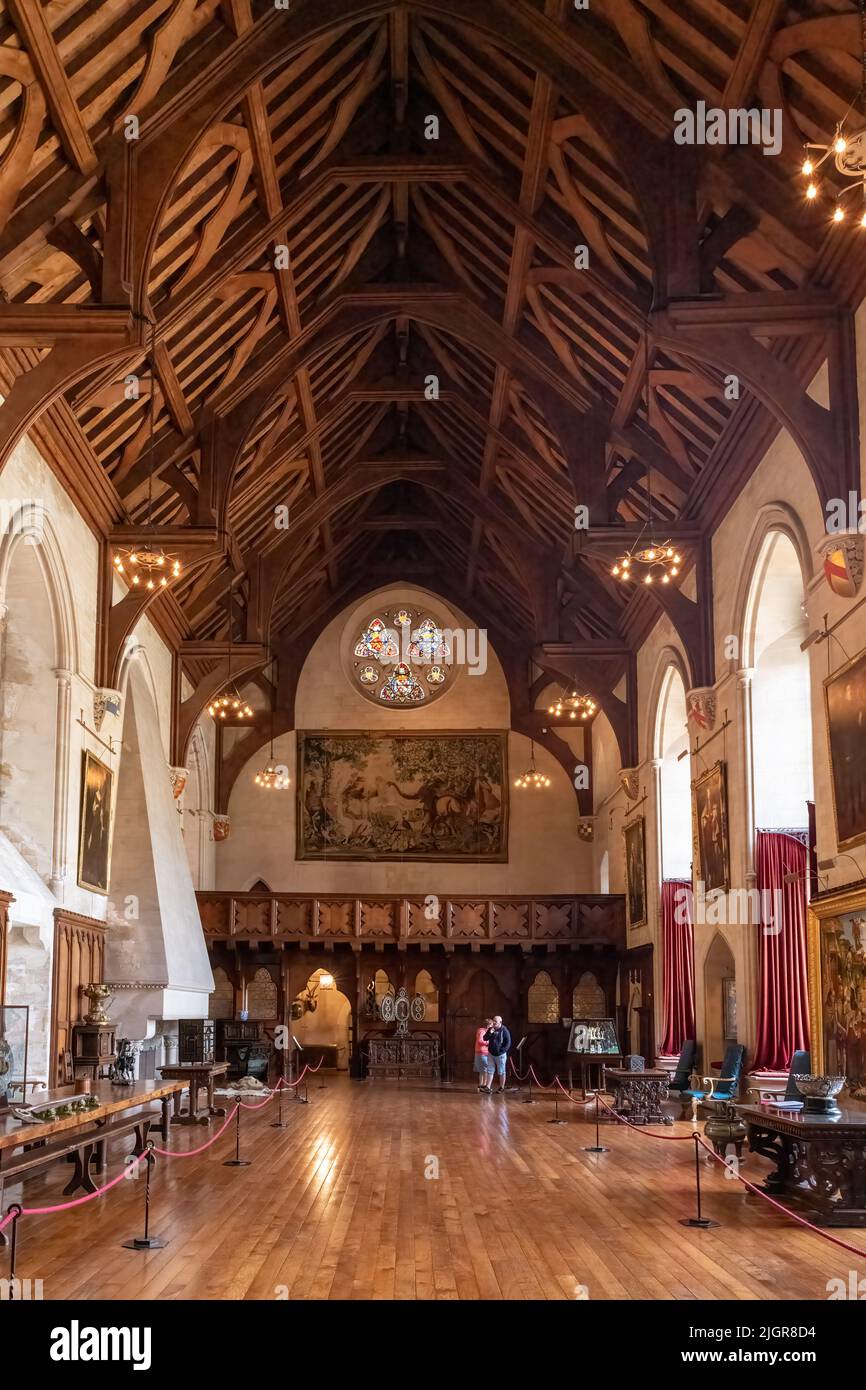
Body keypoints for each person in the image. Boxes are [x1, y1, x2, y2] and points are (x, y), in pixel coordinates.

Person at [482, 1015, 512, 1093]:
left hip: (500, 1055)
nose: (494, 1022)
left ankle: (501, 1087)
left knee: (501, 1072)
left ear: (500, 1022)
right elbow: (485, 1038)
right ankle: (488, 1087)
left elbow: (508, 1043)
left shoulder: (504, 1030)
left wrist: (501, 1051)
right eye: (493, 1020)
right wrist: (490, 1032)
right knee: (490, 1071)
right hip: (491, 1054)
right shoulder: (491, 1029)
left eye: (496, 1021)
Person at [474, 1017, 493, 1092]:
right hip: (482, 1053)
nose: (492, 1026)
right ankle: (484, 1086)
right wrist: (489, 1043)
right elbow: (480, 1041)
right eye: (491, 1025)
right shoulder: (482, 1031)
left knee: (482, 1071)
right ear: (488, 1025)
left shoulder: (482, 1030)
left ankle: (481, 1085)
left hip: (481, 1053)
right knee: (485, 1070)